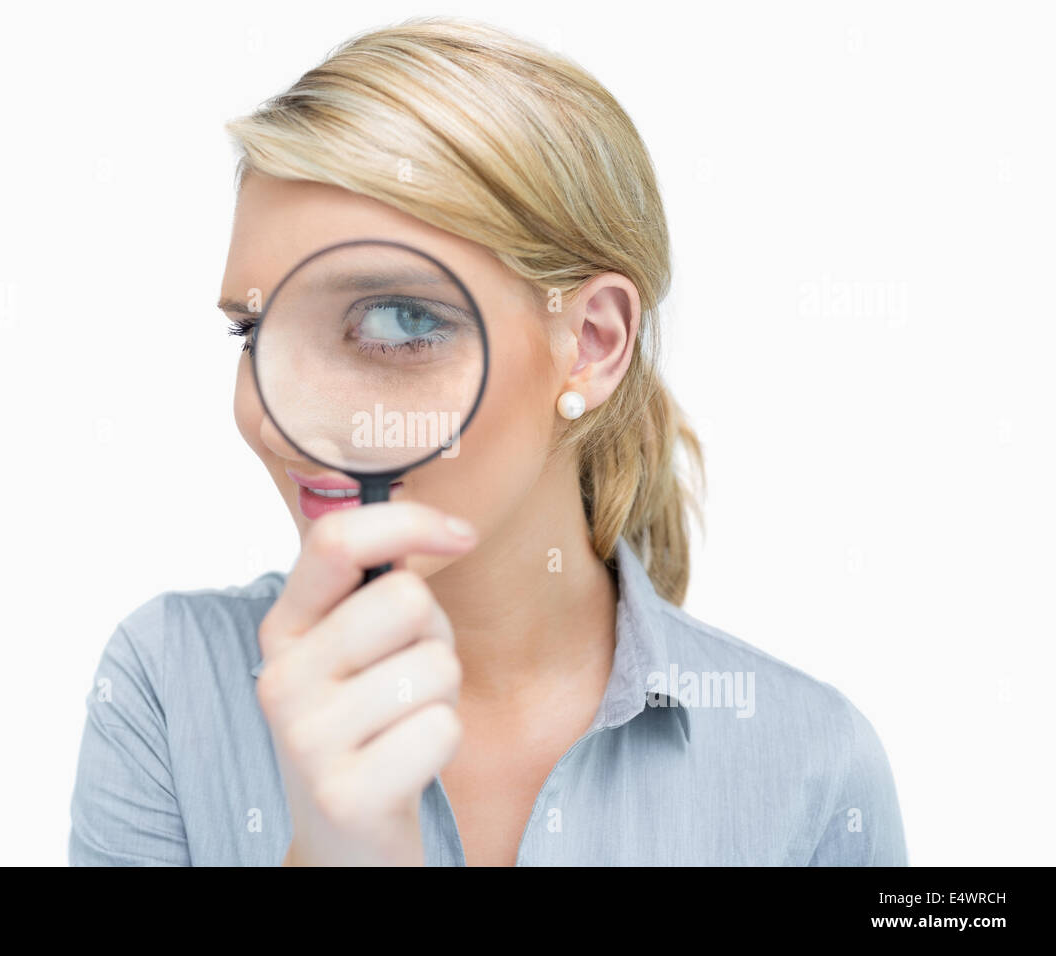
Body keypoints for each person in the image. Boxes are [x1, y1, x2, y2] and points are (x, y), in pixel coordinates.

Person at [68, 16, 907, 866]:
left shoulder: (811, 765)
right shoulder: (169, 689)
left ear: (592, 344)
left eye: (397, 320)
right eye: (254, 332)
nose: (294, 420)